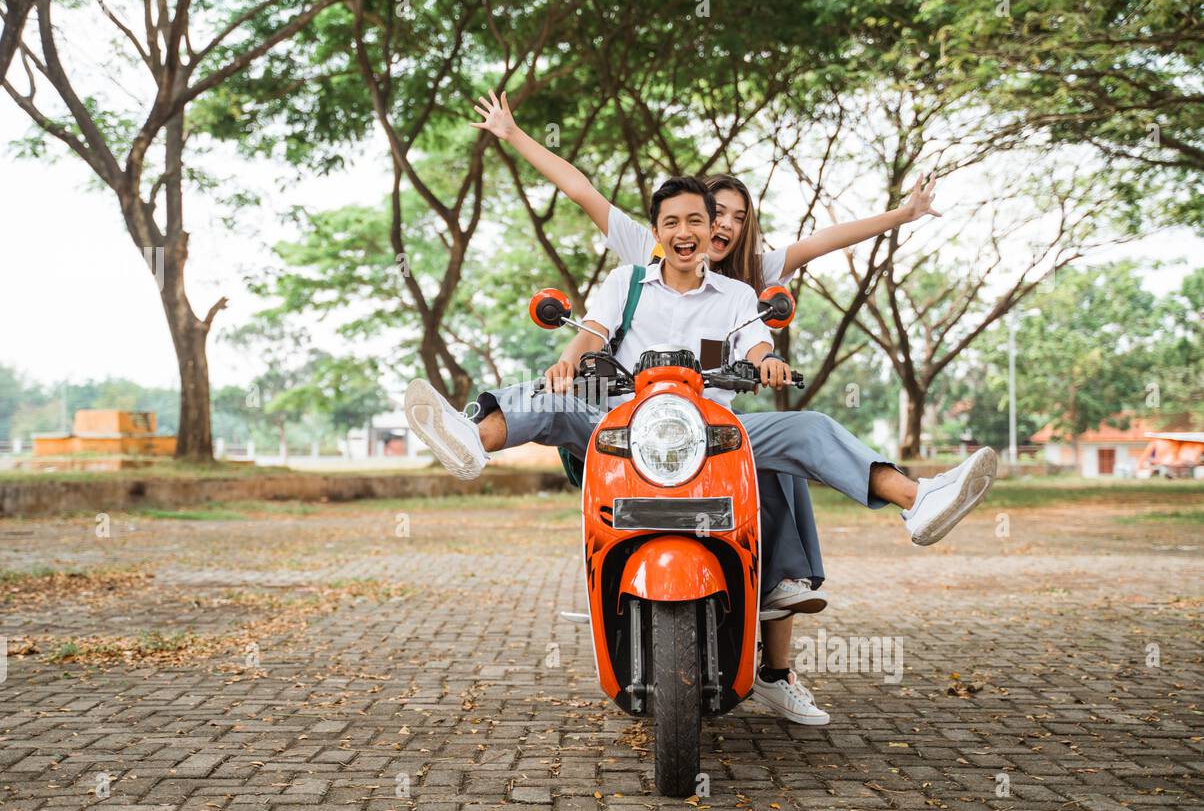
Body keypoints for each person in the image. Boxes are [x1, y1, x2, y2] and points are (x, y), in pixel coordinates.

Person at [405, 177, 998, 722]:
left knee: (807, 427)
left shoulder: (739, 294)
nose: (688, 232)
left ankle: (916, 499)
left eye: (698, 221)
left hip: (713, 434)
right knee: (550, 395)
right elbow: (590, 335)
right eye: (673, 223)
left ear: (711, 231)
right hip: (624, 427)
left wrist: (768, 364)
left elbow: (760, 343)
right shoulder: (627, 281)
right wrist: (570, 360)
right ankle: (471, 439)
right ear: (657, 232)